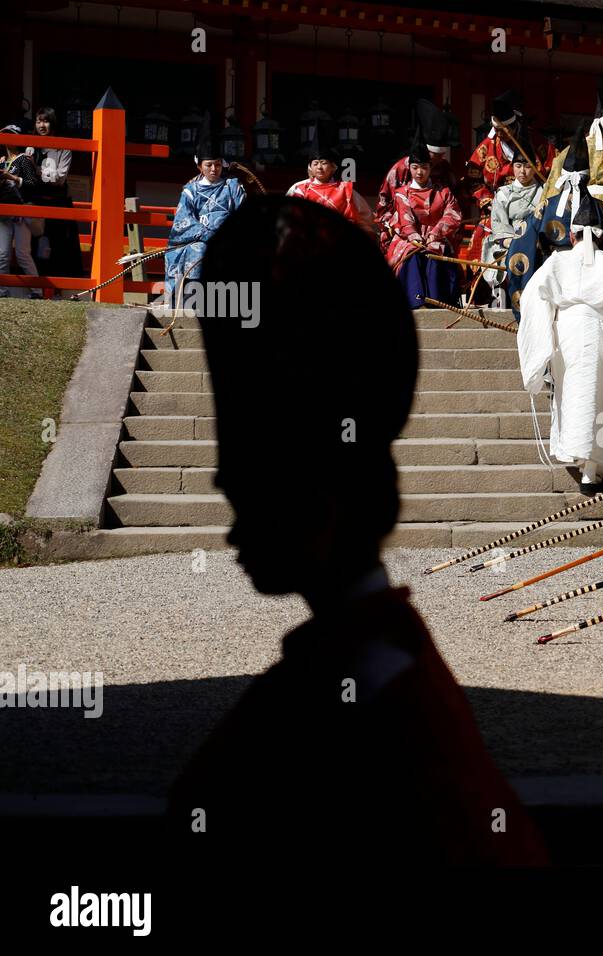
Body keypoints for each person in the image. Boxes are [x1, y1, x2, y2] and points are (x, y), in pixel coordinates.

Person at [171, 195, 546, 864]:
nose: (225, 485)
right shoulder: (381, 675)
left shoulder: (361, 711)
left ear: (323, 500)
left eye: (264, 470)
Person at [517, 189, 603, 493]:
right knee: (598, 399)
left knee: (573, 397)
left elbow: (533, 301)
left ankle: (585, 465)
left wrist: (541, 344)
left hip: (565, 335)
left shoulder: (555, 263)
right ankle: (589, 468)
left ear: (571, 236)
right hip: (599, 333)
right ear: (601, 235)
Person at [504, 125, 603, 318]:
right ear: (588, 176)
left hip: (554, 276)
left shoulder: (546, 207)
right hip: (595, 280)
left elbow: (521, 247)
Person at [161, 117, 245, 308]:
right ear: (199, 165)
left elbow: (244, 215)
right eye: (208, 165)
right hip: (197, 240)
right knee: (200, 251)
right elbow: (183, 221)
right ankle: (193, 304)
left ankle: (230, 305)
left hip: (229, 238)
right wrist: (207, 234)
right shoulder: (191, 190)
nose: (213, 169)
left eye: (217, 164)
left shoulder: (232, 187)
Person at [383, 141, 463, 309]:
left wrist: (435, 234)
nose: (419, 172)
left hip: (437, 237)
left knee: (434, 252)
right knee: (413, 254)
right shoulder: (401, 193)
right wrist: (415, 238)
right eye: (415, 167)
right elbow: (406, 220)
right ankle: (416, 301)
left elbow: (452, 215)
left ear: (430, 168)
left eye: (424, 167)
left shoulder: (444, 192)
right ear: (409, 168)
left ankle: (437, 299)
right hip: (409, 239)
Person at [375, 98, 453, 236]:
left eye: (442, 155)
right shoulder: (400, 169)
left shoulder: (444, 168)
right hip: (401, 232)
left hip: (436, 235)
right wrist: (393, 226)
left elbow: (452, 205)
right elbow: (384, 205)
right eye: (435, 154)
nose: (439, 159)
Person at [32, 107, 84, 291]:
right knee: (37, 242)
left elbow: (60, 179)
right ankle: (39, 285)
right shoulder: (31, 146)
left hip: (58, 200)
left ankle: (61, 287)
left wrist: (37, 170)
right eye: (38, 121)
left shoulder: (63, 147)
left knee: (61, 243)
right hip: (38, 199)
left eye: (45, 121)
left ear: (52, 122)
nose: (41, 125)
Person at [485, 154, 544, 308]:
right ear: (512, 168)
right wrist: (513, 240)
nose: (522, 171)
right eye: (518, 166)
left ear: (535, 167)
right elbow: (498, 223)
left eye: (527, 166)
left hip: (537, 241)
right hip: (511, 239)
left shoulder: (543, 191)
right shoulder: (504, 193)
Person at [286, 138, 375, 237]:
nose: (319, 167)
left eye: (324, 163)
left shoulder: (345, 189)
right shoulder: (299, 189)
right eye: (315, 163)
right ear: (310, 167)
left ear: (333, 167)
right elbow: (288, 215)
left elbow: (367, 217)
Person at [0, 124, 41, 299]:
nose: (8, 138)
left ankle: (36, 290)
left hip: (21, 210)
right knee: (2, 253)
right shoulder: (2, 160)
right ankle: (2, 291)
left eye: (12, 135)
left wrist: (12, 177)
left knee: (22, 253)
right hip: (3, 210)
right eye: (5, 135)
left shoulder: (24, 159)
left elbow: (33, 184)